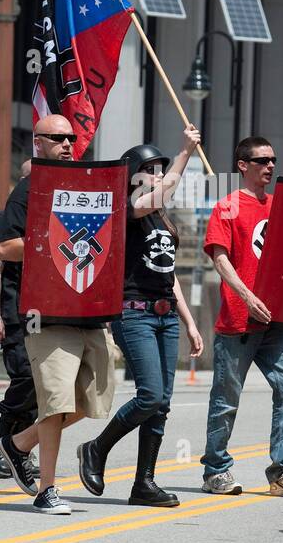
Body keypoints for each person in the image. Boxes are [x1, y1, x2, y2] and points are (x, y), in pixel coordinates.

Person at [0, 115, 117, 515]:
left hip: (90, 313)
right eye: (57, 138)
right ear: (38, 142)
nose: (66, 143)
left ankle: (17, 443)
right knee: (55, 403)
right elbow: (5, 248)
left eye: (71, 137)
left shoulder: (88, 185)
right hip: (46, 315)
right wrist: (48, 240)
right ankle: (47, 489)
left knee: (93, 401)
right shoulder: (30, 190)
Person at [77, 128, 205, 507]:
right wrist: (185, 152)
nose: (157, 175)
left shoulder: (162, 220)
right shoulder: (127, 211)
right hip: (135, 314)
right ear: (132, 174)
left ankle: (143, 484)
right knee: (149, 394)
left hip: (165, 314)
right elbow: (160, 193)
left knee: (161, 402)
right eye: (150, 169)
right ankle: (96, 449)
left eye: (160, 168)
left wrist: (189, 321)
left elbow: (169, 274)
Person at [200, 136, 283, 497]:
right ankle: (215, 471)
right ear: (243, 165)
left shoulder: (279, 206)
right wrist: (247, 296)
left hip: (274, 323)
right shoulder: (227, 207)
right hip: (238, 320)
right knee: (225, 400)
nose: (270, 166)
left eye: (273, 160)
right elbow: (220, 259)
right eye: (262, 160)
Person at [0, 160, 40, 486]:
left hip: (42, 313)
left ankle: (18, 447)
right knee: (26, 374)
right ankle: (2, 439)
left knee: (42, 379)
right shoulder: (3, 222)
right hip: (16, 313)